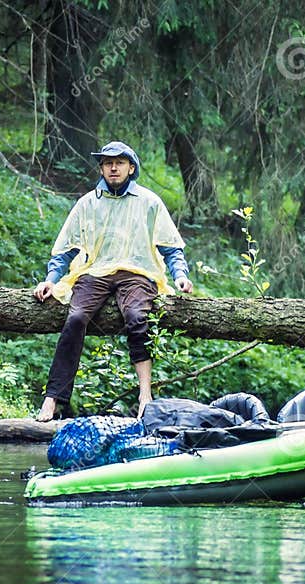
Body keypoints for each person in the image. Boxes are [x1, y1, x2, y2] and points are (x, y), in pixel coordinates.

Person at [33, 141, 193, 422]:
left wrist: (180, 276)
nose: (114, 167)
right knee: (76, 318)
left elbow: (170, 247)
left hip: (137, 273)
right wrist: (50, 280)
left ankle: (145, 394)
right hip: (94, 272)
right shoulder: (87, 203)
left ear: (131, 168)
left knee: (135, 315)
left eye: (120, 162)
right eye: (108, 163)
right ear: (102, 169)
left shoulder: (149, 202)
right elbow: (66, 249)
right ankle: (53, 398)